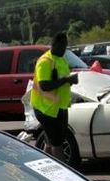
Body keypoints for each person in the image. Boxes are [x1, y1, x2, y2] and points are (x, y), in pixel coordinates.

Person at [31, 32, 78, 162]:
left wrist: (70, 81)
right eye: (62, 46)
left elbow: (61, 81)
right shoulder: (45, 61)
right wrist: (67, 79)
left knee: (50, 142)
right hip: (45, 109)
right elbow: (44, 86)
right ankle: (64, 176)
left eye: (66, 46)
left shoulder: (61, 60)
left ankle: (46, 170)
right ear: (54, 45)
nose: (64, 49)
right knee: (57, 144)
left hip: (58, 107)